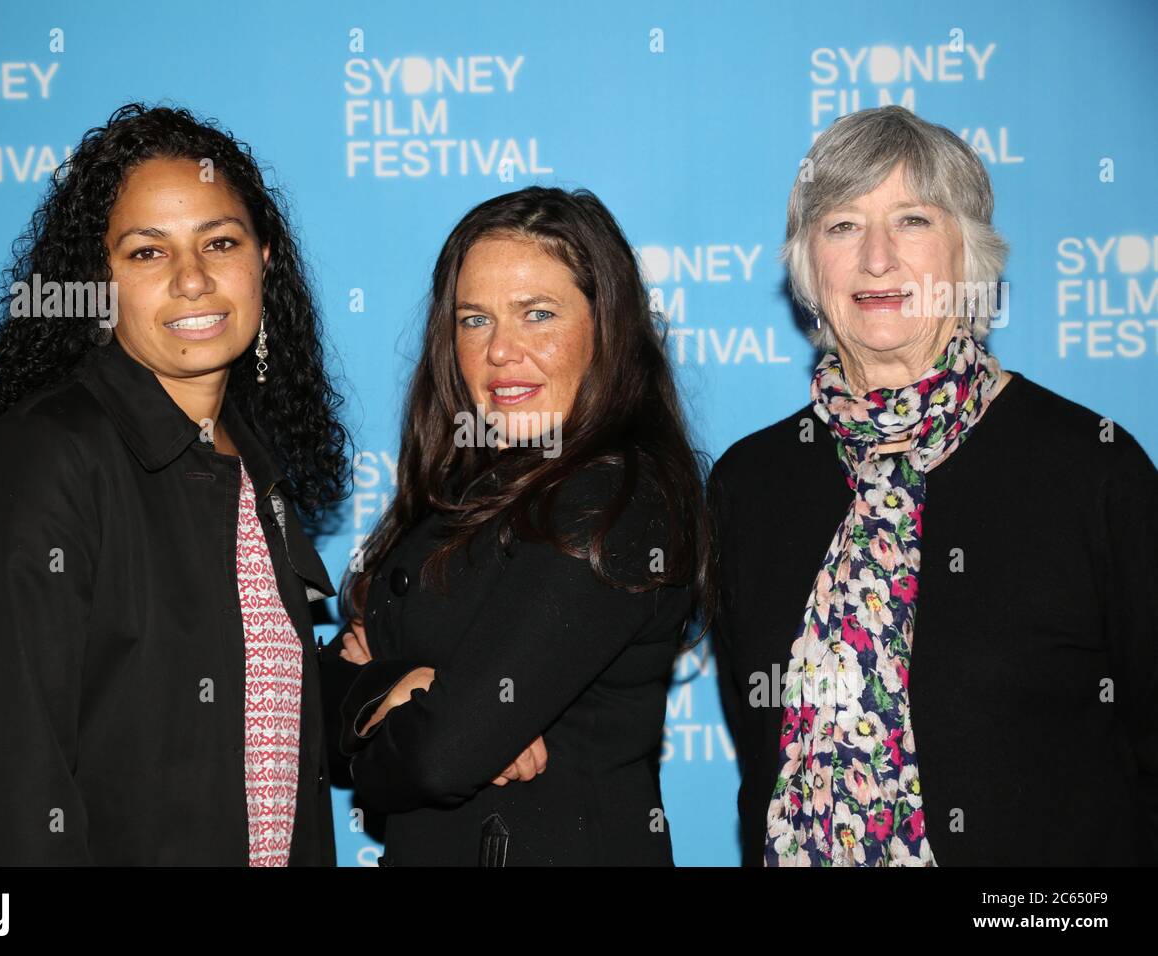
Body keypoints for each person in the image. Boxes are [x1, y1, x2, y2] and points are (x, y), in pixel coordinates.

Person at [709, 104, 1158, 866]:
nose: (877, 258)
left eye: (913, 221)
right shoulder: (749, 484)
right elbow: (758, 756)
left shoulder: (1093, 469)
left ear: (971, 258)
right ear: (808, 266)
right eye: (842, 225)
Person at [0, 103, 350, 865]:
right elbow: (8, 809)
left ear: (265, 259)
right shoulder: (40, 464)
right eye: (148, 253)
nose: (193, 279)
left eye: (221, 241)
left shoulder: (250, 468)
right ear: (96, 281)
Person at [319, 186, 711, 865]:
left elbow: (439, 758)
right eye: (474, 320)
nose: (501, 351)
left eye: (537, 314)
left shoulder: (615, 499)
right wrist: (399, 688)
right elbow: (315, 698)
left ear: (606, 327)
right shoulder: (460, 487)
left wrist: (417, 722)